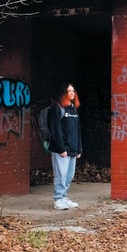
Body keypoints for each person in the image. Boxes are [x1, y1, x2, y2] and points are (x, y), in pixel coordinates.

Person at [48, 82, 82, 210]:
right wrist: (61, 149)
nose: (72, 93)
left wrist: (79, 148)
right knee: (60, 175)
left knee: (69, 176)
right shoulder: (57, 109)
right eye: (69, 91)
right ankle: (58, 199)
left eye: (73, 91)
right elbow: (55, 130)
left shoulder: (73, 109)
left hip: (73, 149)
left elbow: (77, 130)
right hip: (62, 150)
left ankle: (64, 197)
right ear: (63, 93)